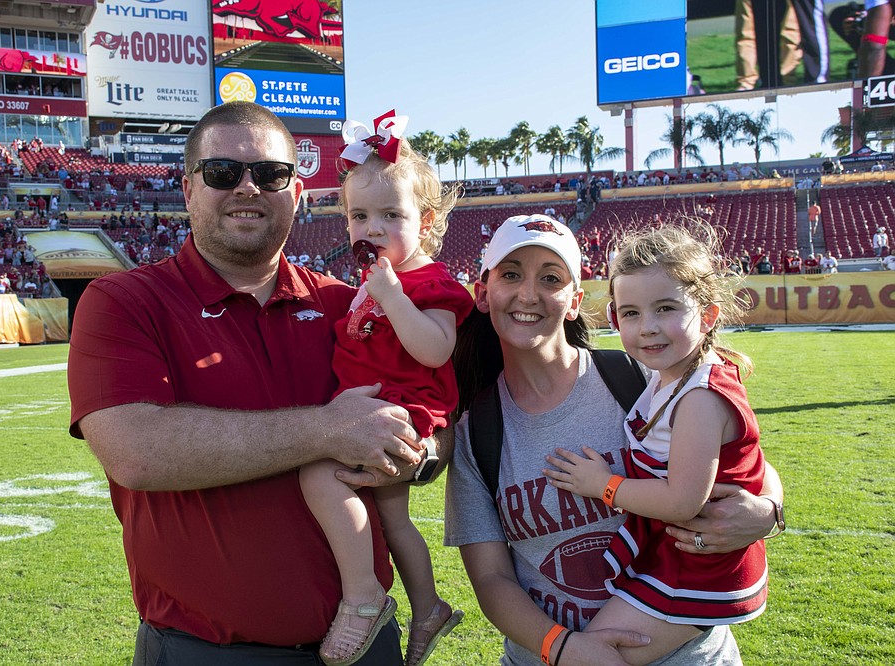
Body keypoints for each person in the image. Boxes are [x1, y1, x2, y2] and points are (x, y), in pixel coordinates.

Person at [67, 101, 437, 665]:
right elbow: (135, 451)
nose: (248, 188)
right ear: (189, 189)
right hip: (206, 651)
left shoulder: (350, 304)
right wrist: (325, 430)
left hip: (364, 646)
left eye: (270, 174)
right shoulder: (123, 302)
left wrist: (423, 450)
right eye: (222, 173)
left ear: (298, 195)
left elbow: (434, 411)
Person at [444, 214, 784, 666]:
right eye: (511, 275)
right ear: (483, 293)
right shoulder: (478, 430)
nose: (529, 294)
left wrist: (769, 510)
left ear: (574, 301)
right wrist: (562, 648)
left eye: (550, 278)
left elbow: (743, 459)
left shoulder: (643, 376)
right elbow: (491, 579)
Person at [545, 225, 770, 664]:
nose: (647, 328)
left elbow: (683, 501)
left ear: (707, 315)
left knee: (600, 653)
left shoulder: (701, 396)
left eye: (665, 308)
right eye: (630, 313)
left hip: (696, 569)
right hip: (675, 556)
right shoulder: (668, 376)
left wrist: (602, 485)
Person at [300, 125, 472, 666]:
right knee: (393, 522)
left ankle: (363, 597)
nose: (372, 229)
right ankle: (428, 607)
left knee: (317, 474)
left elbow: (435, 349)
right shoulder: (371, 283)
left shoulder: (430, 283)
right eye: (359, 217)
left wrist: (393, 299)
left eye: (391, 216)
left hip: (407, 407)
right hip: (372, 407)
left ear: (427, 221)